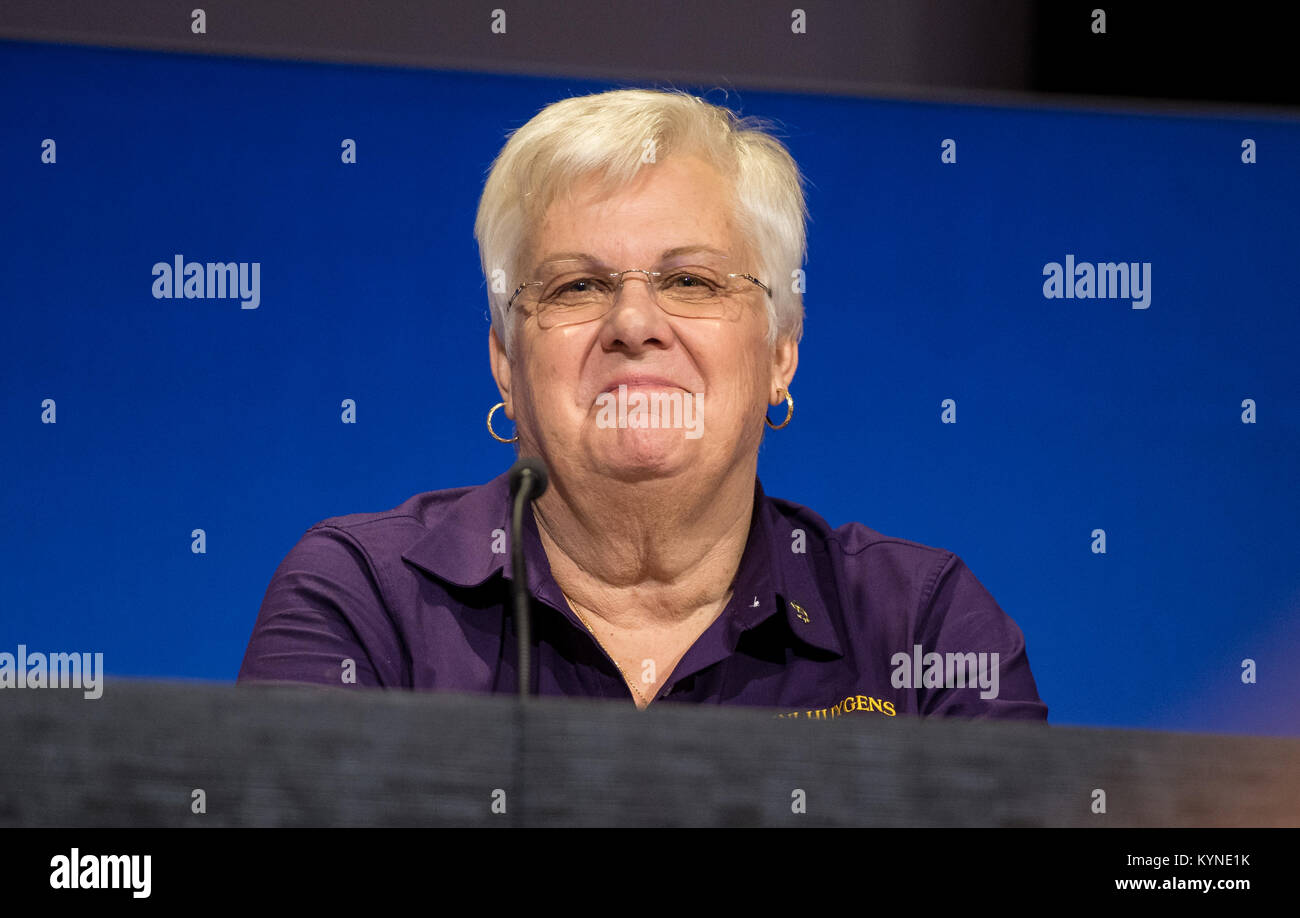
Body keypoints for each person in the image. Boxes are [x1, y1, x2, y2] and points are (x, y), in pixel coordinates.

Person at [237, 88, 1047, 721]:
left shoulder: (921, 625)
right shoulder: (361, 601)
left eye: (690, 280)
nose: (633, 324)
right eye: (577, 285)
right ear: (507, 367)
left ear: (780, 354)